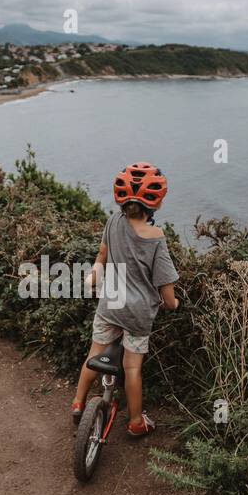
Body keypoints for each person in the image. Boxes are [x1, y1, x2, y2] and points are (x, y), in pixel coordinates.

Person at [73, 162, 180, 436]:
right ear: (155, 203)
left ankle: (78, 403)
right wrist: (172, 305)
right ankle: (135, 422)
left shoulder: (112, 221)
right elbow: (166, 291)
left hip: (110, 304)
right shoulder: (156, 238)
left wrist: (91, 281)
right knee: (132, 368)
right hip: (138, 314)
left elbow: (101, 257)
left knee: (93, 354)